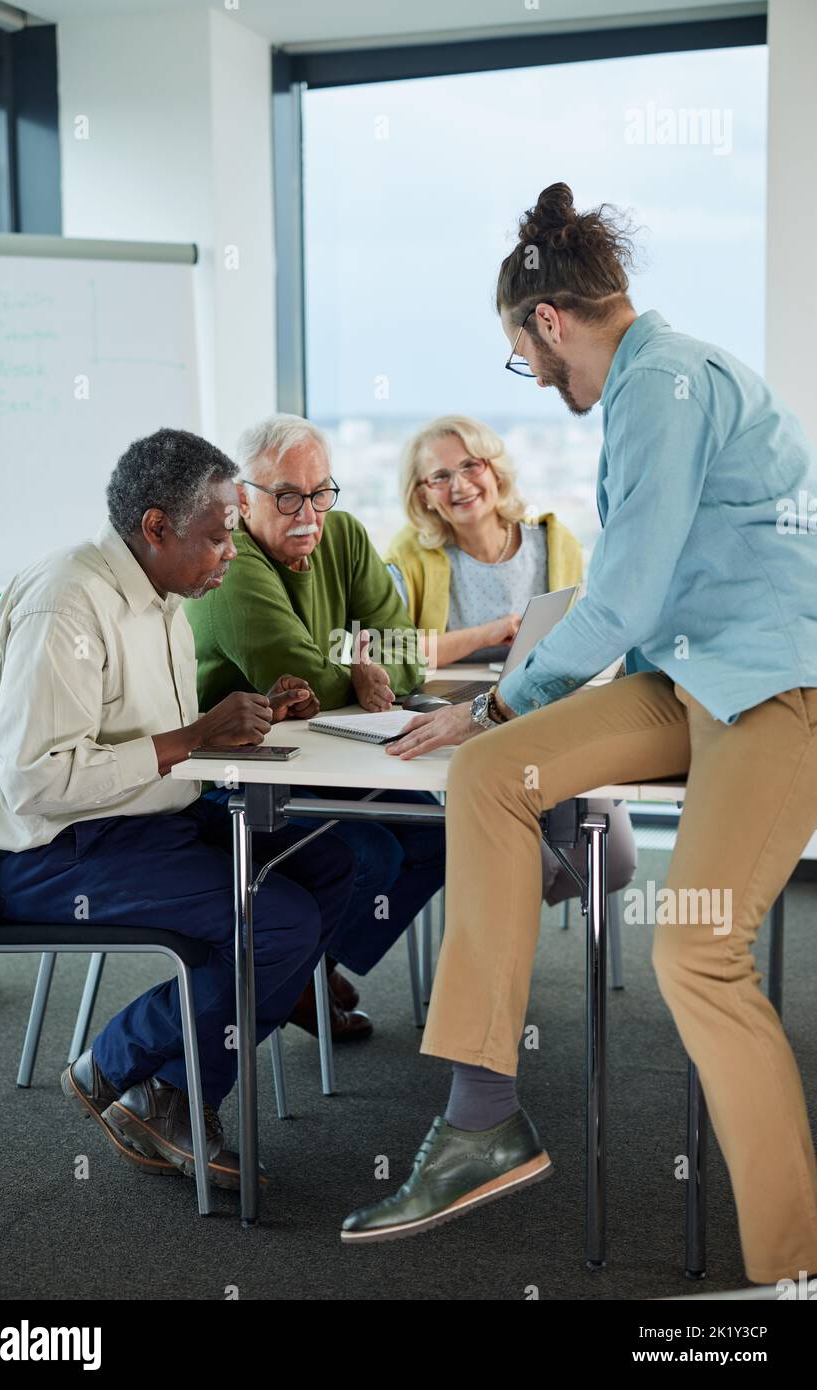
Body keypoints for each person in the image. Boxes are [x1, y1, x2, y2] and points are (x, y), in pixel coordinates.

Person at [341, 183, 817, 1292]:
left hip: (770, 686)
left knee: (694, 951)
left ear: (548, 323)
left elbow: (625, 590)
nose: (537, 376)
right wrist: (499, 719)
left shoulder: (663, 382)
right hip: (688, 673)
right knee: (496, 771)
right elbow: (643, 608)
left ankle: (794, 1273)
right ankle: (481, 1120)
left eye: (525, 355)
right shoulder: (651, 389)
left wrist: (501, 694)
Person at [0, 427, 356, 1192]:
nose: (232, 554)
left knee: (334, 861)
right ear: (154, 526)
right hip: (44, 855)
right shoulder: (66, 604)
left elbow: (146, 738)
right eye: (217, 537)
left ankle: (162, 1087)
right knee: (278, 922)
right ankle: (123, 1065)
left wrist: (250, 715)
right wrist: (197, 735)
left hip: (142, 819)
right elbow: (35, 784)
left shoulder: (161, 591)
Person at [185, 414, 446, 1043]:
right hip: (236, 781)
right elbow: (293, 676)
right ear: (242, 498)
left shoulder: (345, 535)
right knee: (373, 853)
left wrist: (363, 665)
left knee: (441, 832)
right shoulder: (231, 560)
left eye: (321, 491)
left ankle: (310, 960)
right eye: (287, 496)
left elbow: (408, 652)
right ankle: (295, 972)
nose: (309, 513)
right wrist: (351, 666)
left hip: (329, 759)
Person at [385, 412, 636, 909]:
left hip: (549, 706)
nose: (459, 485)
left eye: (470, 466)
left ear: (494, 470)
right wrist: (491, 631)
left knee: (616, 858)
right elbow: (397, 651)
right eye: (440, 476)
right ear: (423, 495)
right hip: (458, 715)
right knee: (525, 863)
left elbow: (584, 632)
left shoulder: (552, 540)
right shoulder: (411, 553)